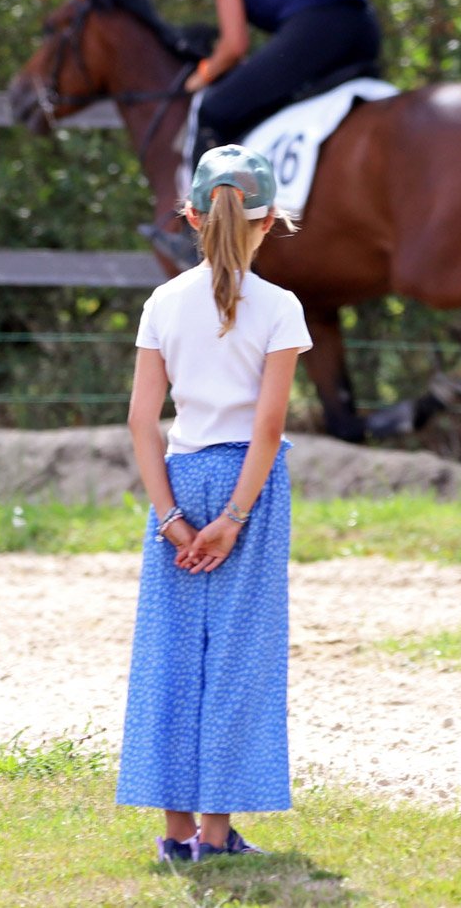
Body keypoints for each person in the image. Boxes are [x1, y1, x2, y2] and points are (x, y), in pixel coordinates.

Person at [117, 144, 312, 863]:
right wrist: (234, 516)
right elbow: (268, 426)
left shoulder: (163, 301)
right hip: (248, 486)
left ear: (192, 216)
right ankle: (218, 835)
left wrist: (171, 517)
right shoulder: (281, 308)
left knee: (169, 655)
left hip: (178, 478)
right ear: (267, 222)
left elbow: (143, 420)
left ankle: (174, 835)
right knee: (237, 657)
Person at [144, 0, 381, 271]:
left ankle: (196, 241)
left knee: (217, 110)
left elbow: (234, 44)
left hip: (317, 28)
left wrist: (203, 75)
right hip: (363, 29)